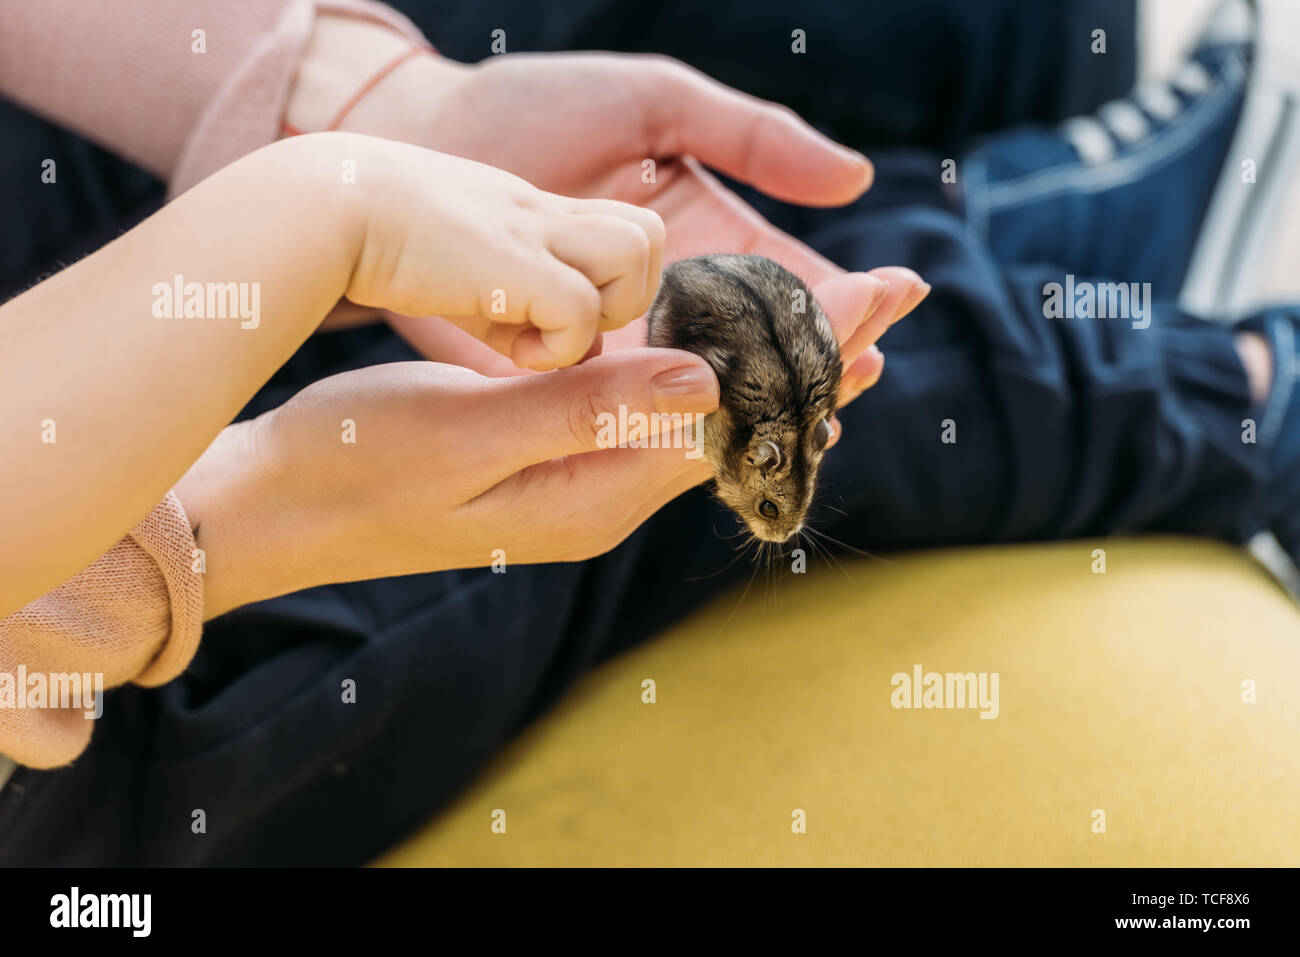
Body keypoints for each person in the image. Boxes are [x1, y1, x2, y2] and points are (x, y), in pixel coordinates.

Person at [0, 0, 1294, 864]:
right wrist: (244, 500)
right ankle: (1238, 384)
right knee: (697, 433)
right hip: (67, 699)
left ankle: (1019, 198)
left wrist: (371, 99)